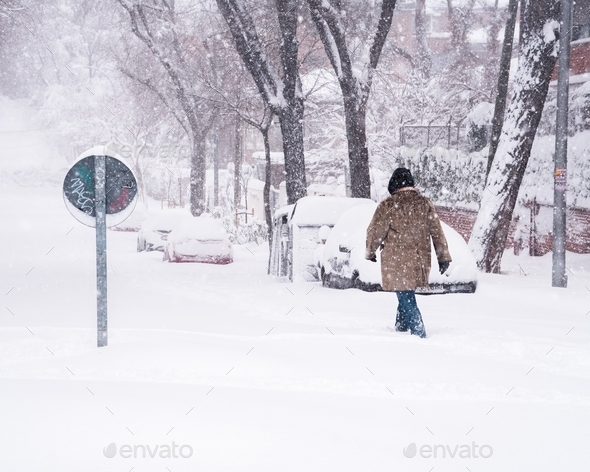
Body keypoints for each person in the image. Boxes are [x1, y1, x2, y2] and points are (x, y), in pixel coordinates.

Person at [365, 168, 452, 338]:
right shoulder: (424, 203)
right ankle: (401, 329)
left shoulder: (388, 205)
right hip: (420, 260)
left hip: (397, 261)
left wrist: (370, 252)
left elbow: (374, 231)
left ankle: (419, 333)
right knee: (405, 291)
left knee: (405, 295)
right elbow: (437, 232)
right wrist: (443, 257)